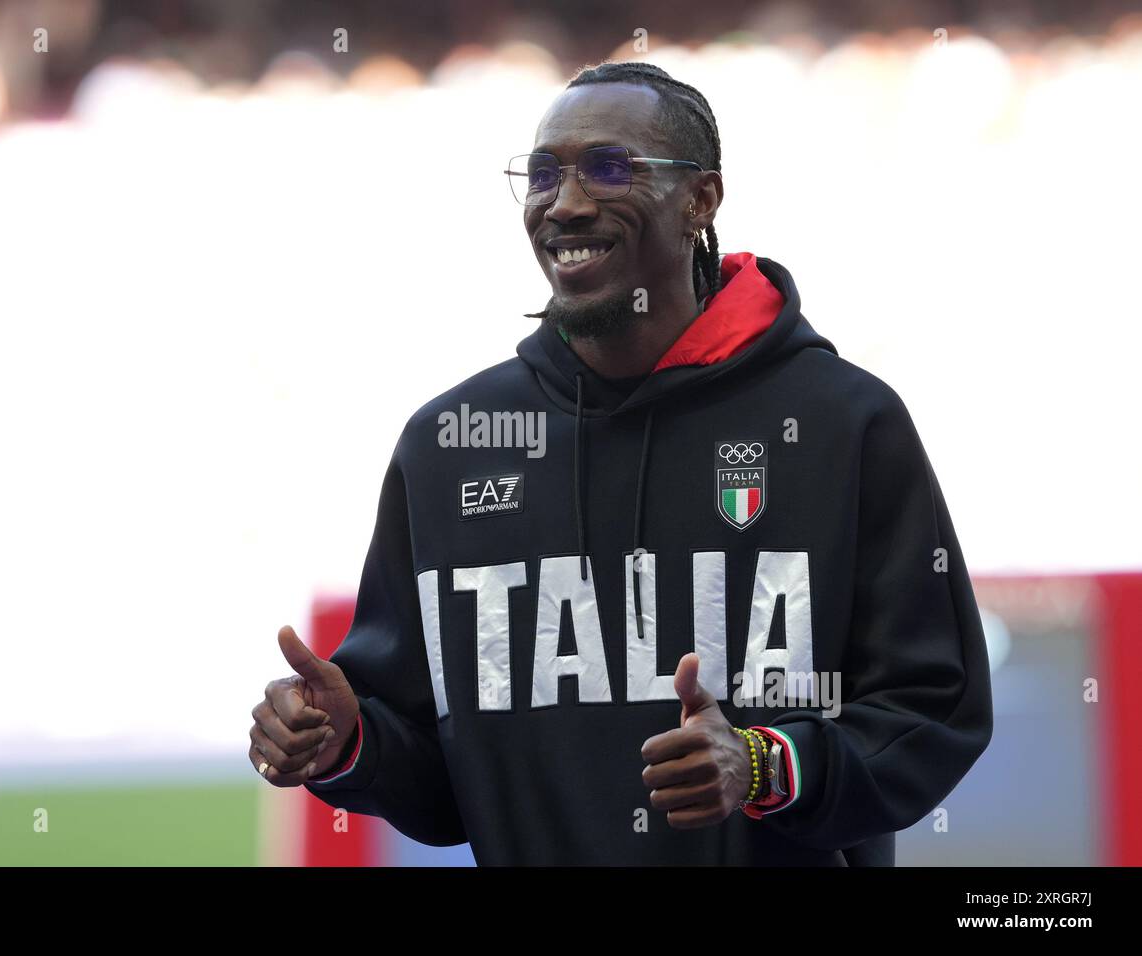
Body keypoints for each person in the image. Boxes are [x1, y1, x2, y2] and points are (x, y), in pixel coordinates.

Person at [247, 61, 993, 865]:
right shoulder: (449, 446)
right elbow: (440, 778)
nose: (565, 203)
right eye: (543, 174)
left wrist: (765, 766)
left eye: (608, 168)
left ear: (700, 199)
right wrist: (346, 741)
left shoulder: (843, 422)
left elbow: (932, 708)